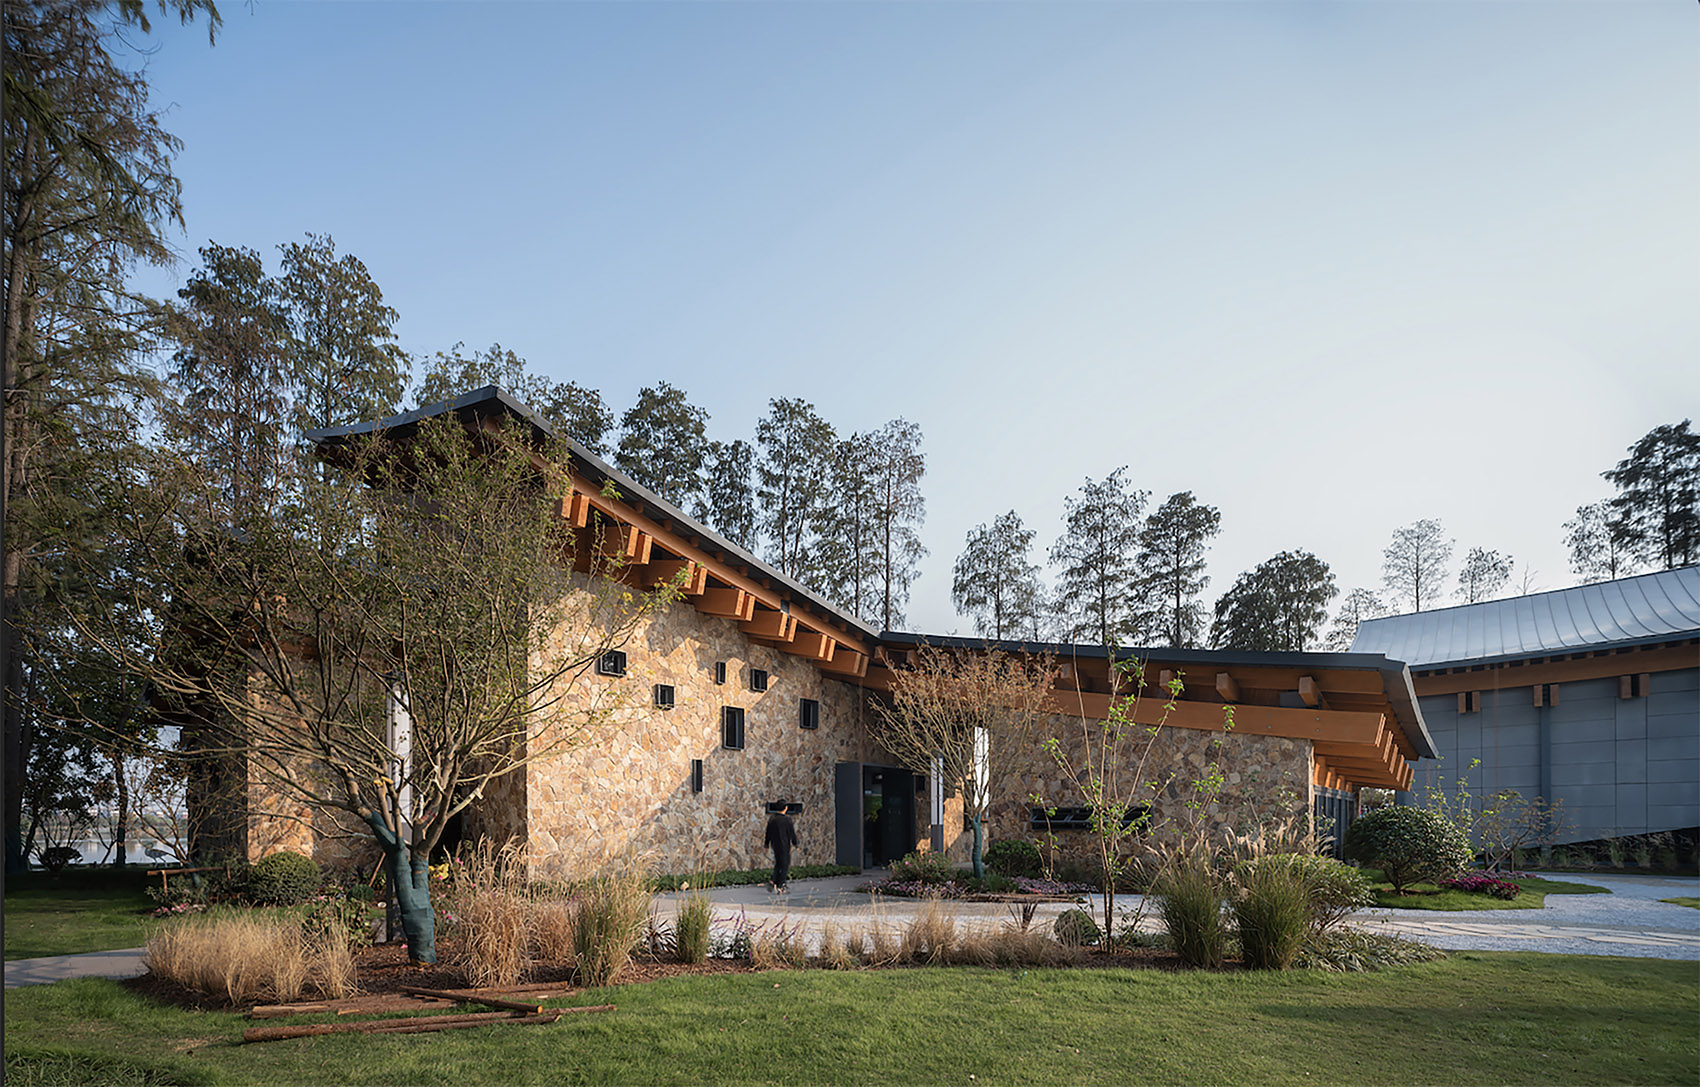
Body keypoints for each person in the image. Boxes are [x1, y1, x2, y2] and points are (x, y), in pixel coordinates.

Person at [764, 801, 799, 893]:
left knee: (778, 864)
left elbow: (768, 833)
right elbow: (791, 833)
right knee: (784, 865)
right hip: (784, 845)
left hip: (775, 845)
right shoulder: (787, 820)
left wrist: (766, 844)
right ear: (786, 808)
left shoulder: (772, 819)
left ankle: (773, 881)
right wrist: (796, 844)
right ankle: (781, 886)